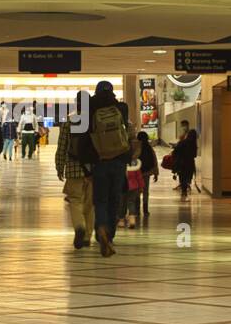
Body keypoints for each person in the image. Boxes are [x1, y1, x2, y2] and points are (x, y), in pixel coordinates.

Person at [77, 80, 131, 257]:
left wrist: (86, 168)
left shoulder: (89, 109)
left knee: (100, 200)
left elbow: (83, 139)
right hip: (119, 160)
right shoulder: (121, 107)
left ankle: (100, 228)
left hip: (99, 161)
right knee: (114, 199)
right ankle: (110, 235)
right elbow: (127, 135)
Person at [55, 91, 94, 250]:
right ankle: (87, 237)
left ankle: (79, 226)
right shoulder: (95, 121)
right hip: (92, 169)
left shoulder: (69, 122)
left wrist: (59, 167)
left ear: (76, 103)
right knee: (90, 204)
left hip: (73, 168)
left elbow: (62, 146)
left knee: (75, 201)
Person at [172, 119, 199, 199]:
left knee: (185, 174)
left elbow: (183, 144)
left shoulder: (191, 133)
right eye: (182, 126)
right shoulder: (184, 136)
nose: (183, 127)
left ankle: (185, 188)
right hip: (184, 159)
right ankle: (184, 188)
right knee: (184, 174)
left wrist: (179, 143)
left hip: (186, 160)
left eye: (184, 125)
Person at [136, 131, 159, 216]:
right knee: (146, 191)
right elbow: (154, 160)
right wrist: (156, 173)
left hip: (137, 173)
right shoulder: (149, 148)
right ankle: (145, 210)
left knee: (137, 191)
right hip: (146, 173)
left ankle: (137, 210)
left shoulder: (136, 148)